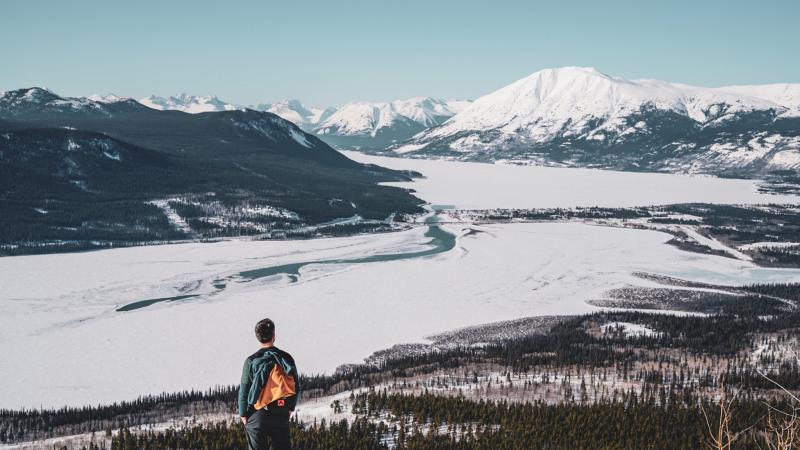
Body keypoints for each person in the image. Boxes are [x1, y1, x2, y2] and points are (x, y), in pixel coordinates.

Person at [238, 318, 300, 450]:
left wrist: (243, 414)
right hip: (281, 411)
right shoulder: (286, 358)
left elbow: (244, 391)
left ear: (257, 337)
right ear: (274, 336)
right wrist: (290, 408)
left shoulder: (251, 361)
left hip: (258, 414)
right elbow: (296, 386)